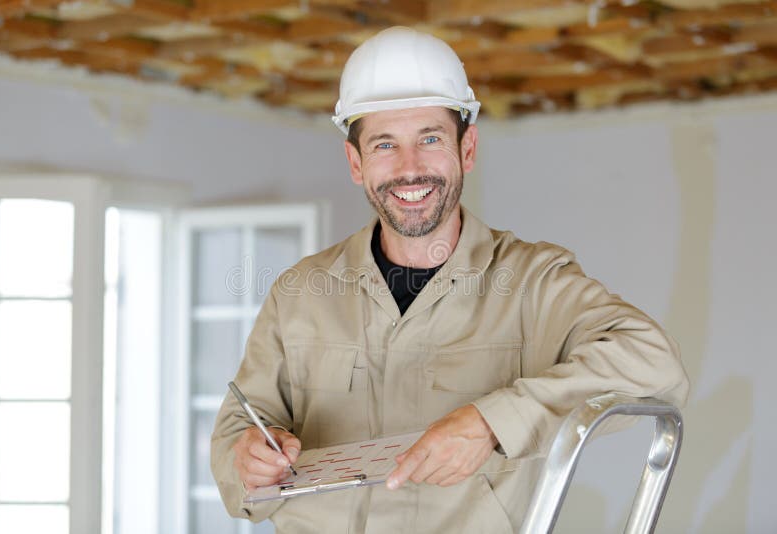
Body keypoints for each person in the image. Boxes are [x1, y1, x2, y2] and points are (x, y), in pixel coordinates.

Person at [211, 26, 689, 533]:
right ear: (356, 162)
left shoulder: (532, 282)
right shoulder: (299, 293)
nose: (409, 168)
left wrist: (491, 423)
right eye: (385, 144)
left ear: (468, 149)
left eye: (431, 139)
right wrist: (248, 458)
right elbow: (239, 429)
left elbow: (653, 361)